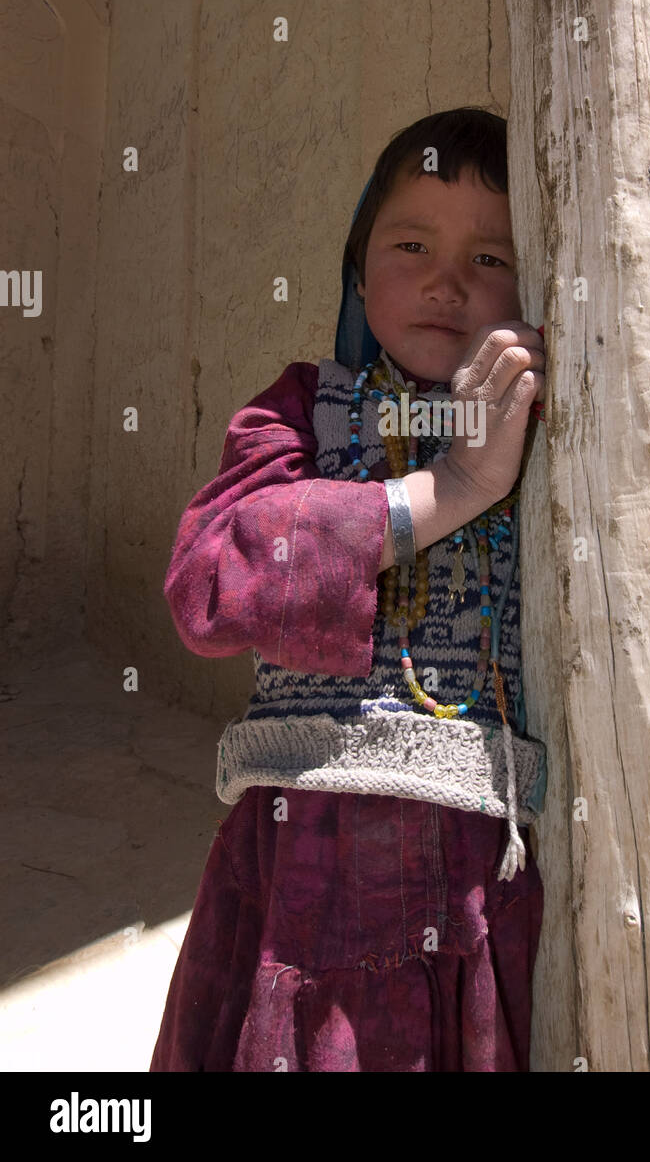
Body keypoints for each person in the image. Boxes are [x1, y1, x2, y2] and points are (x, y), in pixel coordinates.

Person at [149, 106, 548, 1072]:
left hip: (475, 880)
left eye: (492, 258)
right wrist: (451, 488)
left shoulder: (552, 426)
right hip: (301, 862)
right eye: (411, 242)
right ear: (357, 270)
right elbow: (210, 582)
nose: (449, 281)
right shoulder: (298, 410)